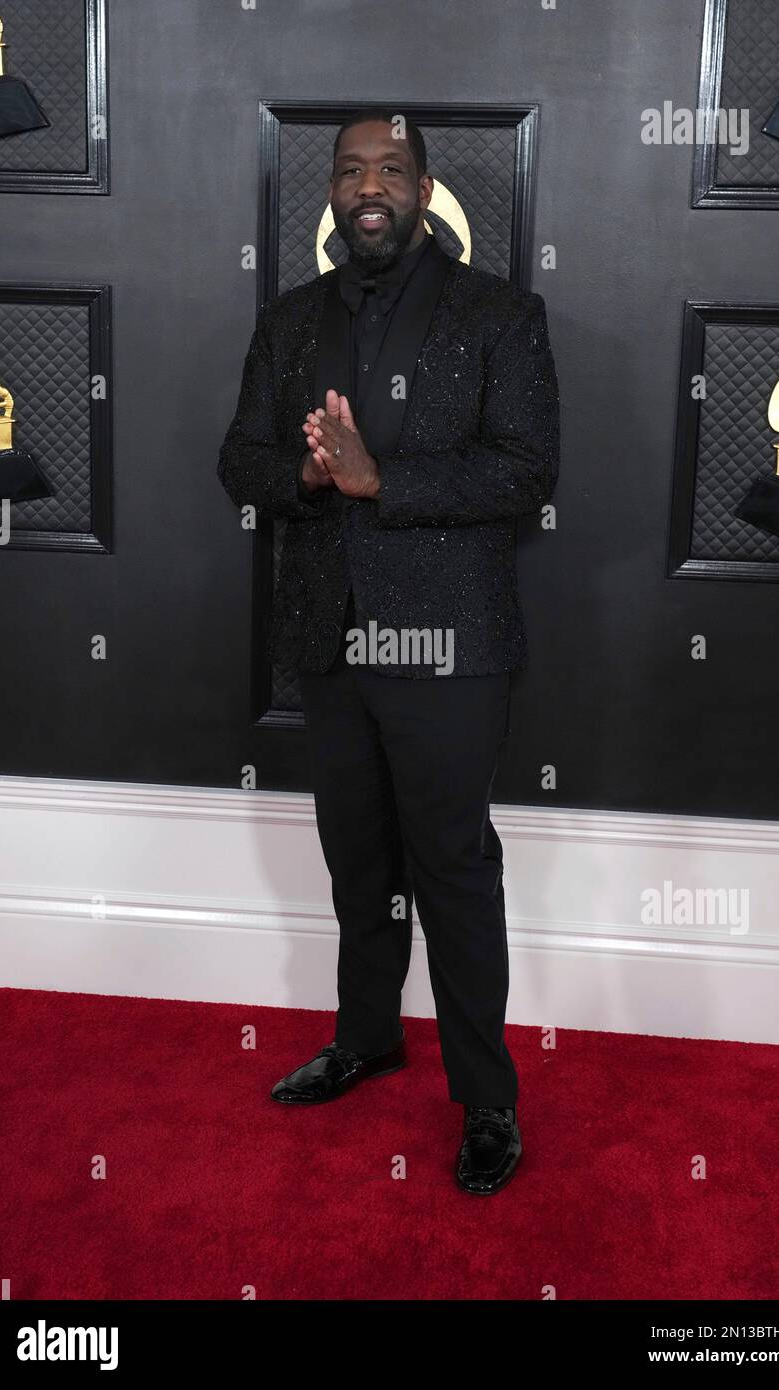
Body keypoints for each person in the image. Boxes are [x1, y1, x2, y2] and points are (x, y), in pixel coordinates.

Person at [217, 109, 560, 1194]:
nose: (371, 185)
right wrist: (308, 477)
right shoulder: (288, 320)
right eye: (351, 169)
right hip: (330, 639)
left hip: (451, 648)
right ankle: (367, 1036)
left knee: (451, 869)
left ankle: (486, 1098)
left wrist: (382, 480)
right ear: (329, 190)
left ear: (423, 188)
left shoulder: (501, 313)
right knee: (357, 862)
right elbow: (239, 460)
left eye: (392, 169)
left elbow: (524, 472)